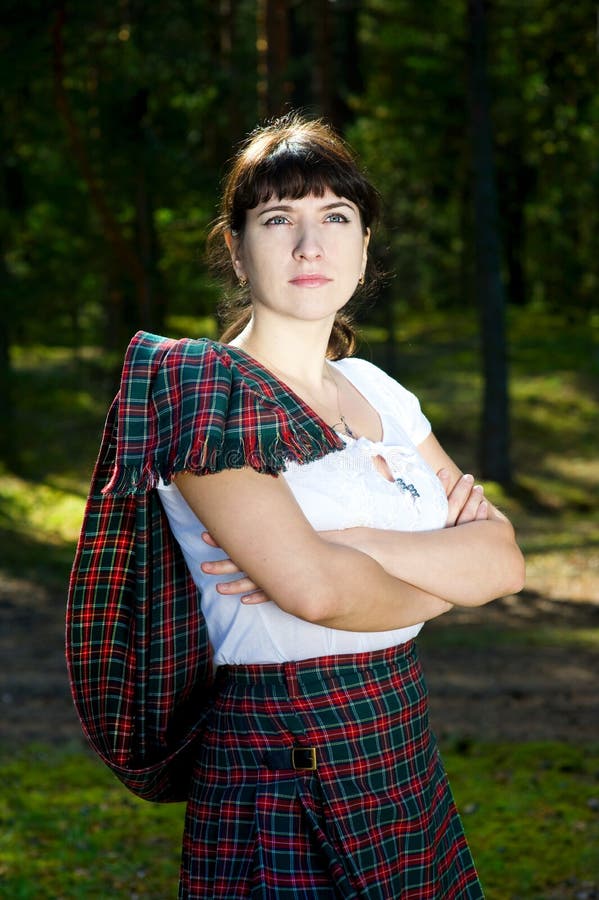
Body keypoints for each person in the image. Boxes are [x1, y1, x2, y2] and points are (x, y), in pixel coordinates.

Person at [67, 113, 525, 899]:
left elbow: (504, 561)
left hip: (397, 735)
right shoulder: (201, 391)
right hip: (285, 754)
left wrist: (354, 545)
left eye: (334, 218)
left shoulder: (378, 388)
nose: (310, 246)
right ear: (237, 251)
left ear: (364, 246)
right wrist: (443, 576)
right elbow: (315, 592)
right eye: (278, 219)